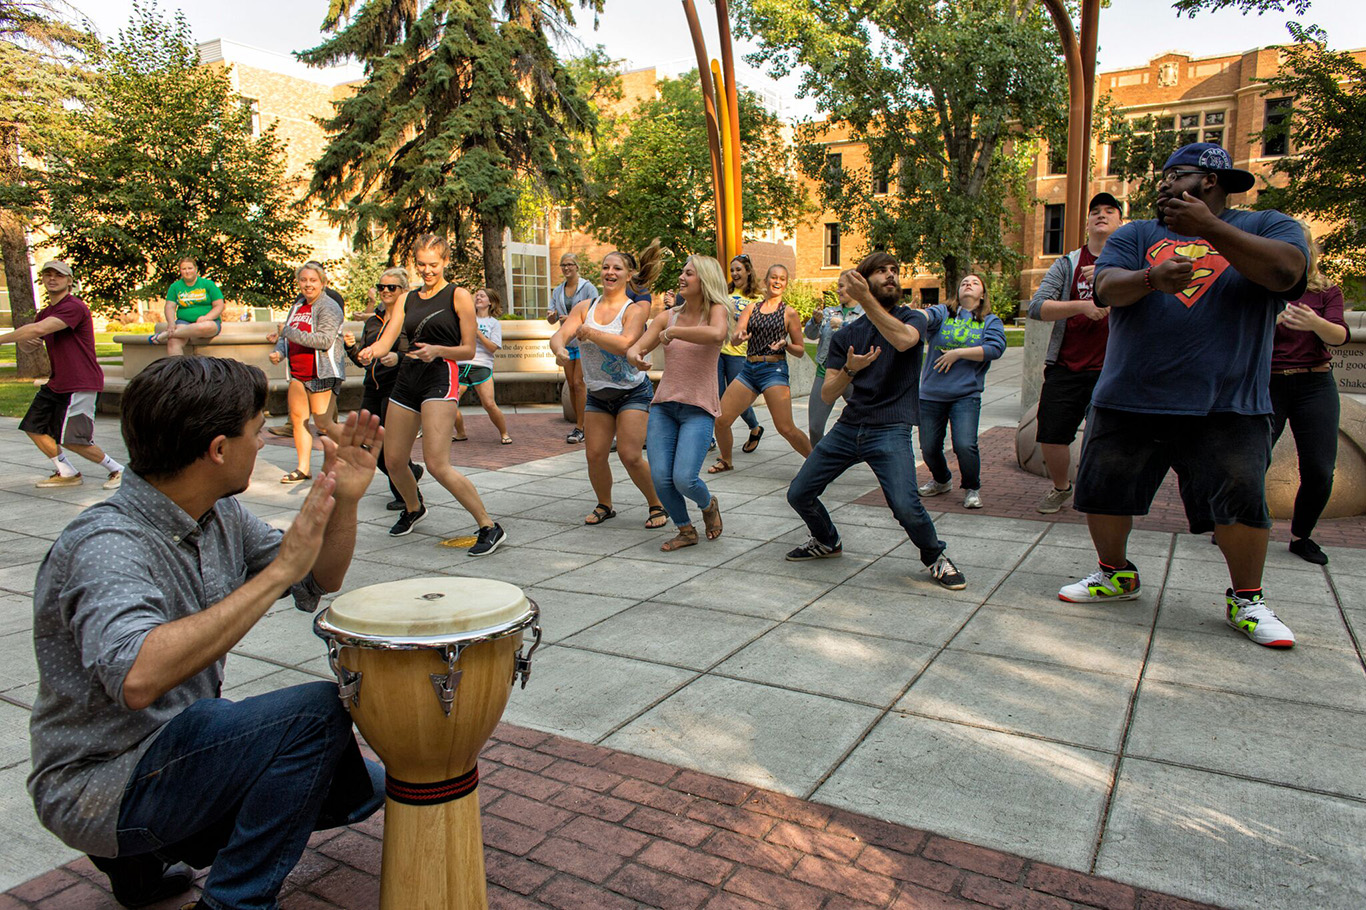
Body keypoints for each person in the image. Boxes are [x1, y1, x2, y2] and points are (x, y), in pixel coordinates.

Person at [27, 356, 385, 910]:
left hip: (171, 752)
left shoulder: (218, 513)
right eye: (254, 431)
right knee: (316, 717)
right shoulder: (106, 544)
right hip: (99, 785)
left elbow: (319, 576)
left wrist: (346, 498)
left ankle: (141, 869)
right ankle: (231, 902)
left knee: (369, 784)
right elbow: (138, 678)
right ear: (218, 450)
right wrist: (279, 573)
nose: (264, 441)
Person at [1059, 142, 1308, 649]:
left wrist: (1211, 229)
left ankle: (1247, 600)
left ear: (1209, 182)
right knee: (1103, 494)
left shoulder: (1266, 225)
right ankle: (1116, 574)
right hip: (1129, 397)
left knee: (1241, 504)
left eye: (1174, 176)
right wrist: (1151, 278)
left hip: (1227, 403)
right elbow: (1105, 288)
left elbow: (1287, 274)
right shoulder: (1137, 234)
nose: (1163, 185)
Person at [785, 252, 967, 591]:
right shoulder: (845, 336)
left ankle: (934, 557)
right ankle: (827, 541)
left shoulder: (912, 318)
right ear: (863, 280)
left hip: (891, 428)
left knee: (905, 506)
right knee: (799, 493)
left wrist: (866, 300)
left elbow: (904, 341)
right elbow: (827, 394)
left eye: (894, 271)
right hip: (850, 426)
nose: (890, 276)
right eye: (881, 271)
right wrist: (852, 370)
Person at [359, 234, 507, 554]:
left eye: (434, 265)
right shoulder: (406, 298)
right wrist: (370, 350)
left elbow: (468, 349)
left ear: (446, 262)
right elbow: (388, 339)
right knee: (394, 459)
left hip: (441, 376)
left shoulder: (458, 295)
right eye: (422, 264)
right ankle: (413, 507)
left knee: (437, 464)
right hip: (408, 378)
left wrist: (439, 349)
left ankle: (488, 525)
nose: (427, 270)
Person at [550, 250, 668, 529]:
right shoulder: (584, 308)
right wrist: (558, 349)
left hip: (632, 393)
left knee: (630, 455)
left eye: (616, 268)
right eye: (605, 267)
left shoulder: (634, 310)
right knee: (594, 455)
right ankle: (605, 504)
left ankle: (657, 504)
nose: (610, 273)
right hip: (598, 395)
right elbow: (560, 334)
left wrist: (590, 333)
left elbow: (626, 343)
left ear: (628, 275)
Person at [1026, 193, 1124, 513]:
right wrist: (1083, 305)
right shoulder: (1068, 263)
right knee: (1051, 435)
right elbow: (1038, 307)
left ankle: (1100, 494)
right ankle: (1061, 487)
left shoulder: (1132, 264)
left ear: (1121, 222)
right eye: (1095, 211)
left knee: (1107, 439)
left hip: (1113, 368)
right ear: (1086, 223)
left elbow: (1149, 303)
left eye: (1110, 211)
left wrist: (1112, 283)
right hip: (1066, 365)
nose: (1101, 215)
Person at [628, 256, 730, 550]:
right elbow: (638, 347)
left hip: (698, 409)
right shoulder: (667, 316)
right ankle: (686, 530)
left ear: (705, 279)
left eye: (689, 273)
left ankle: (708, 504)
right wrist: (635, 356)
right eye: (682, 273)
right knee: (661, 478)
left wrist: (675, 333)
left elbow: (717, 334)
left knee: (684, 478)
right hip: (664, 407)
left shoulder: (716, 311)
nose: (682, 278)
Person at [0, 260, 124, 489]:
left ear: (69, 280)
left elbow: (39, 329)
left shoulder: (73, 306)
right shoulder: (46, 313)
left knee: (74, 439)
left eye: (58, 275)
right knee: (33, 427)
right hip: (58, 382)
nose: (52, 279)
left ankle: (118, 470)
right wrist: (29, 342)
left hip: (81, 382)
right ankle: (67, 472)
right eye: (47, 275)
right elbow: (31, 343)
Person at [1269, 220, 1350, 565]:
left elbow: (1339, 335)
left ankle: (1302, 537)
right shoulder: (1266, 288)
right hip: (1268, 383)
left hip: (1314, 385)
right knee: (1249, 460)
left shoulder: (1326, 291)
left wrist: (1314, 322)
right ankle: (1238, 523)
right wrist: (1269, 319)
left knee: (1319, 467)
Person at [916, 273, 1007, 510]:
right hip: (931, 394)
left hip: (965, 395)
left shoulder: (990, 321)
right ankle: (942, 480)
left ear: (982, 294)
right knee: (929, 446)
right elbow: (926, 317)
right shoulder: (944, 313)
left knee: (965, 444)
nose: (968, 284)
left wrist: (958, 353)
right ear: (957, 292)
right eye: (964, 282)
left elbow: (995, 348)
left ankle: (971, 488)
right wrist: (916, 314)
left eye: (975, 283)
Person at [709, 264, 813, 473]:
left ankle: (818, 465)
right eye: (773, 277)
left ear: (785, 284)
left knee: (785, 427)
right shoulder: (751, 309)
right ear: (765, 281)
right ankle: (726, 460)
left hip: (774, 370)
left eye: (782, 279)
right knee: (721, 420)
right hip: (749, 369)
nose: (777, 281)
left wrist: (786, 344)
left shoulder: (789, 313)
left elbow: (800, 350)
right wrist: (739, 337)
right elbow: (736, 338)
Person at [343, 268, 425, 510]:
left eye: (392, 287)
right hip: (373, 387)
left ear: (404, 291)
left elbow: (421, 352)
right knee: (364, 441)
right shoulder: (372, 321)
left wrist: (398, 357)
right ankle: (410, 471)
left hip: (398, 388)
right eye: (381, 287)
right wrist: (352, 348)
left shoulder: (410, 319)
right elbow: (362, 359)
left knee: (391, 446)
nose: (385, 291)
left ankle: (408, 497)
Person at [267, 262, 346, 485]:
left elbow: (324, 340)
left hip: (321, 373)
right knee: (298, 420)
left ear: (323, 282)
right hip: (298, 372)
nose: (308, 285)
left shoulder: (328, 307)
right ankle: (303, 468)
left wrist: (289, 332)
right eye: (303, 280)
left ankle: (345, 457)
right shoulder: (298, 306)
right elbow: (286, 338)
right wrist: (279, 353)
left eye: (313, 280)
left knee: (323, 424)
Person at [452, 287, 512, 445]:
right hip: (461, 365)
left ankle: (504, 433)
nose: (478, 298)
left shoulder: (493, 324)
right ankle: (460, 432)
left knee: (489, 404)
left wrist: (477, 332)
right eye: (476, 295)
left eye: (482, 296)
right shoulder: (464, 319)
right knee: (450, 403)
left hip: (482, 366)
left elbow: (493, 347)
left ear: (490, 302)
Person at [718, 254, 765, 454]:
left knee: (737, 398)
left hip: (741, 354)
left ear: (748, 271)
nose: (735, 273)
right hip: (719, 350)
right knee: (718, 397)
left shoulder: (758, 298)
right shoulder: (725, 293)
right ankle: (716, 437)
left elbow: (762, 326)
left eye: (738, 269)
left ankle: (754, 427)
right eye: (732, 270)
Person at [549, 253, 598, 444]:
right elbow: (551, 317)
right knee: (571, 385)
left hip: (584, 342)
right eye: (563, 265)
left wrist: (571, 319)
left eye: (570, 264)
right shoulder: (557, 291)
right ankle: (582, 424)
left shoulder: (588, 288)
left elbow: (595, 314)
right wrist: (553, 317)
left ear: (577, 267)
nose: (566, 268)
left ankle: (581, 427)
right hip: (567, 343)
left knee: (579, 383)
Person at [803, 291, 864, 445]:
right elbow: (810, 335)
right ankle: (820, 462)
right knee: (815, 428)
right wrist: (815, 322)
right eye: (838, 286)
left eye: (843, 286)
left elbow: (864, 336)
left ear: (853, 287)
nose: (839, 290)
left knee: (867, 421)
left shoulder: (865, 313)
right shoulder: (828, 312)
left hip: (853, 375)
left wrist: (843, 325)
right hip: (825, 372)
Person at [152, 257, 225, 356]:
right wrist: (171, 323)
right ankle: (177, 370)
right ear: (180, 271)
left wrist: (207, 317)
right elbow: (170, 306)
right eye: (184, 269)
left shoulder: (208, 284)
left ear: (196, 269)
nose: (187, 271)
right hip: (184, 322)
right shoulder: (175, 287)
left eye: (190, 268)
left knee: (204, 326)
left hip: (207, 322)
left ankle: (167, 334)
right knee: (173, 342)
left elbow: (219, 305)